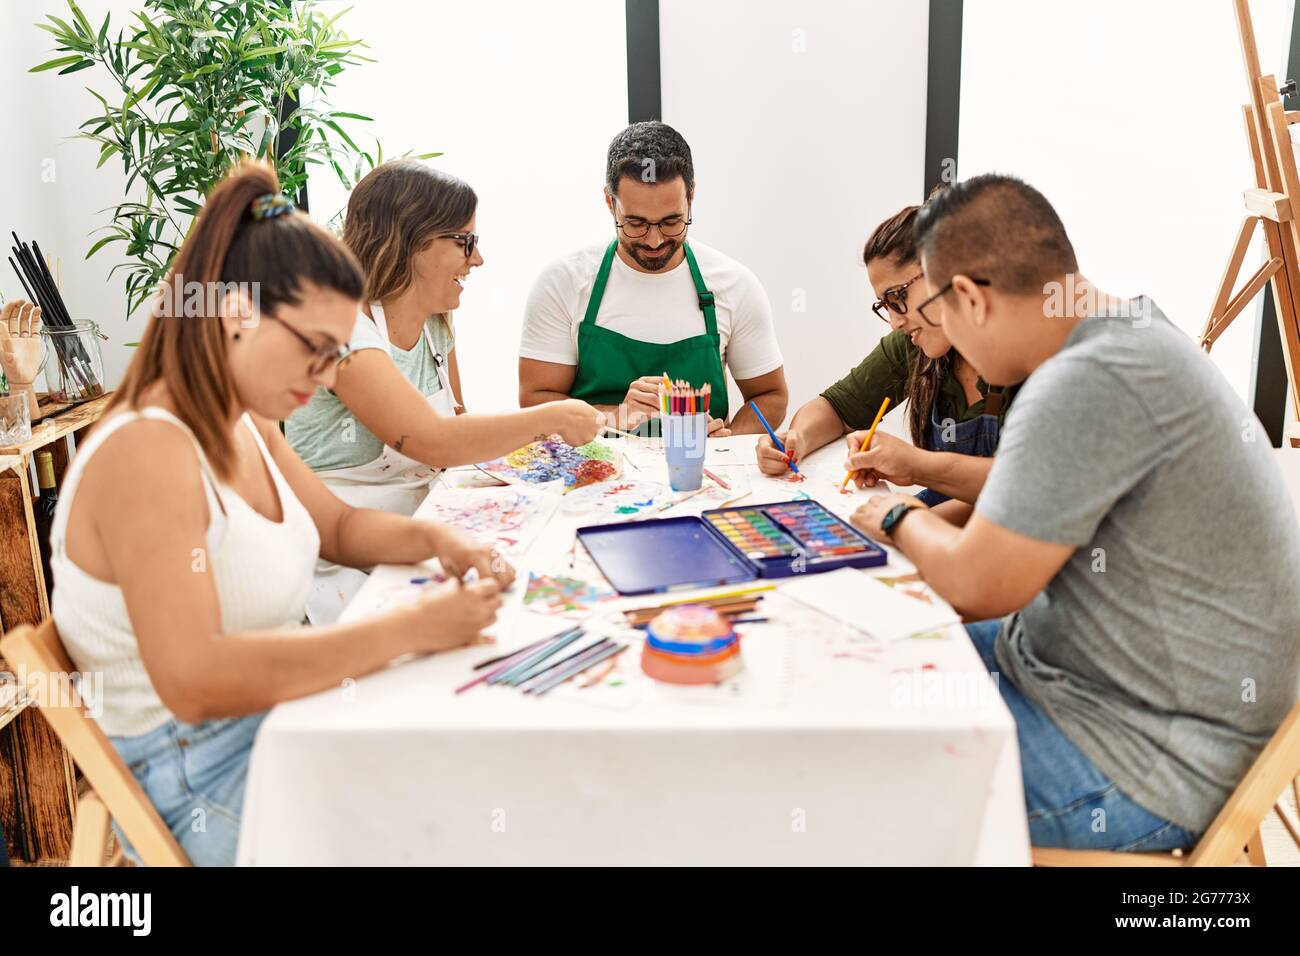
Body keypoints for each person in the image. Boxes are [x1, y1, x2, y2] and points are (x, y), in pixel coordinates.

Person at [51, 162, 515, 866]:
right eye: (316, 349)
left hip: (274, 727)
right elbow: (196, 679)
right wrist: (410, 629)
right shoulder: (148, 451)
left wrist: (436, 538)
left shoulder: (244, 422)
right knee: (455, 824)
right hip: (200, 775)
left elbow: (338, 528)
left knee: (472, 773)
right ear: (236, 314)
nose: (329, 375)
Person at [851, 173, 1300, 852]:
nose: (937, 340)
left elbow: (976, 583)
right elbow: (1007, 528)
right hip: (1079, 678)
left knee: (852, 781)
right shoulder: (1130, 332)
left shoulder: (1086, 381)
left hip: (1151, 755)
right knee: (858, 680)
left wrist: (892, 518)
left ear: (970, 296)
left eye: (936, 312)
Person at [285, 160, 602, 621]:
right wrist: (553, 417)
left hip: (418, 531)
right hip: (341, 562)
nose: (478, 259)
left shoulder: (435, 323)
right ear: (410, 240)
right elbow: (431, 440)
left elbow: (457, 426)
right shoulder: (341, 328)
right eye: (465, 241)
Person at [755, 196, 1017, 524]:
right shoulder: (917, 345)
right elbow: (836, 407)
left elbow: (1020, 492)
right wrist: (797, 440)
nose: (895, 322)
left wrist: (906, 509)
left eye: (899, 297)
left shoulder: (1022, 360)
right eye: (885, 305)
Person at [518, 121, 787, 435]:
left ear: (691, 196)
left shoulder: (735, 285)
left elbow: (770, 396)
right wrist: (615, 416)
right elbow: (536, 399)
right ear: (610, 202)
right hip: (596, 463)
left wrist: (724, 443)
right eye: (636, 223)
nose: (655, 241)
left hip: (698, 465)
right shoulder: (562, 283)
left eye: (671, 222)